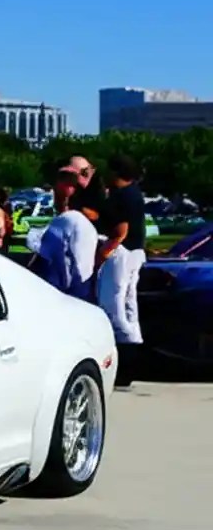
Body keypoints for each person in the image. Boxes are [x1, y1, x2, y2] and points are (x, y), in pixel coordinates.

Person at [97, 154, 148, 388]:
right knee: (129, 307)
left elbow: (121, 230)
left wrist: (104, 254)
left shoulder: (121, 196)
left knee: (113, 304)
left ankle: (123, 361)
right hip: (136, 251)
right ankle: (134, 356)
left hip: (122, 252)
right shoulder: (135, 194)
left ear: (117, 173)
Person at [34, 167, 98, 300]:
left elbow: (52, 261)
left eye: (56, 191)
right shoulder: (86, 224)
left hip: (65, 294)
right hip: (85, 291)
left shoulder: (64, 222)